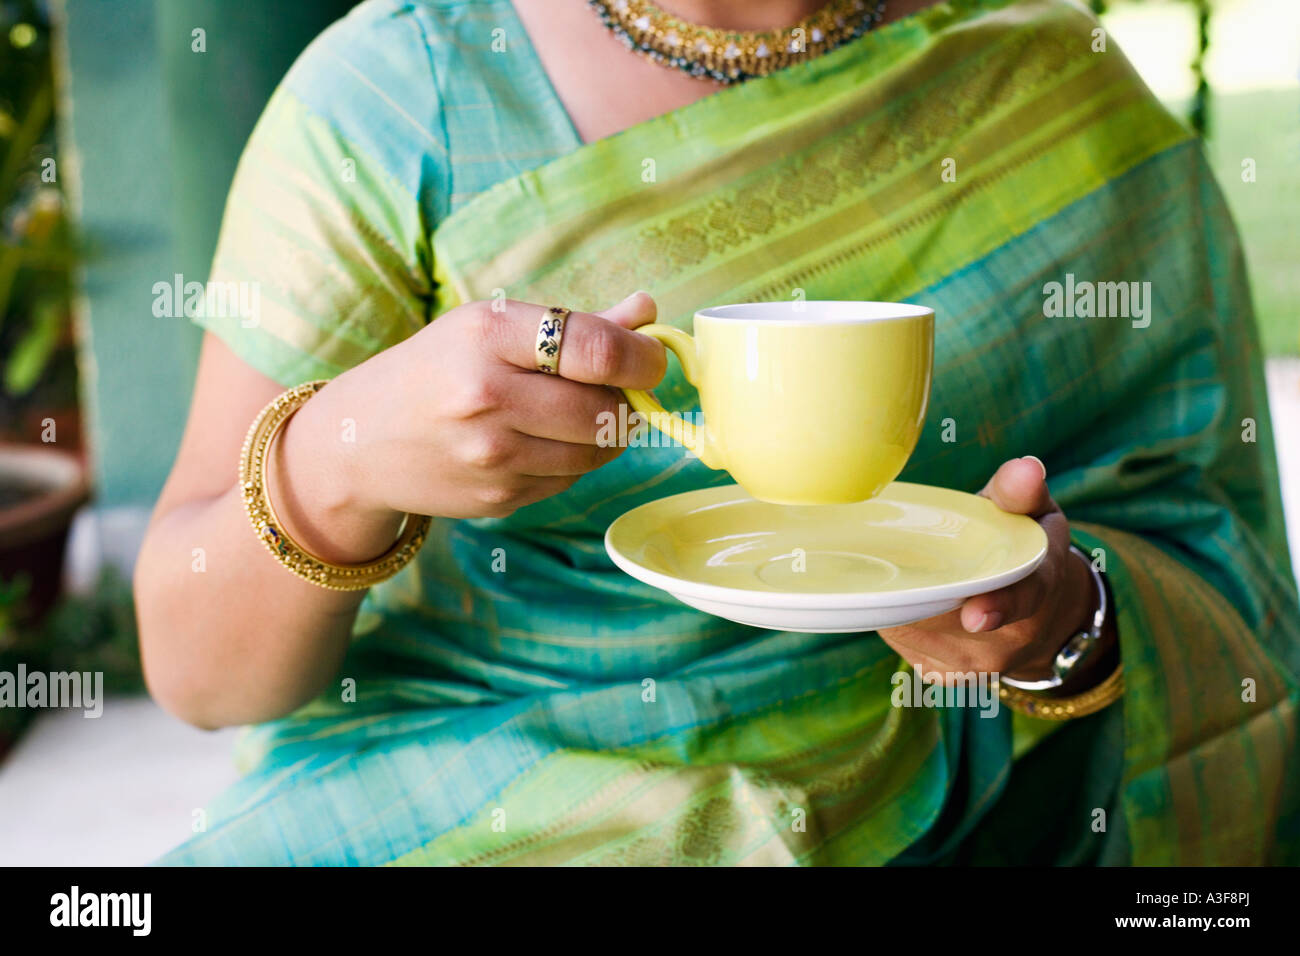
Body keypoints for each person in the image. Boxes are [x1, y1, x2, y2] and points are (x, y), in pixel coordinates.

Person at [134, 0, 1299, 865]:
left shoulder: (1051, 90)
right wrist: (335, 462)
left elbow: (1208, 554)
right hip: (477, 790)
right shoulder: (399, 98)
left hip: (978, 796)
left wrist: (1055, 624)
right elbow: (199, 671)